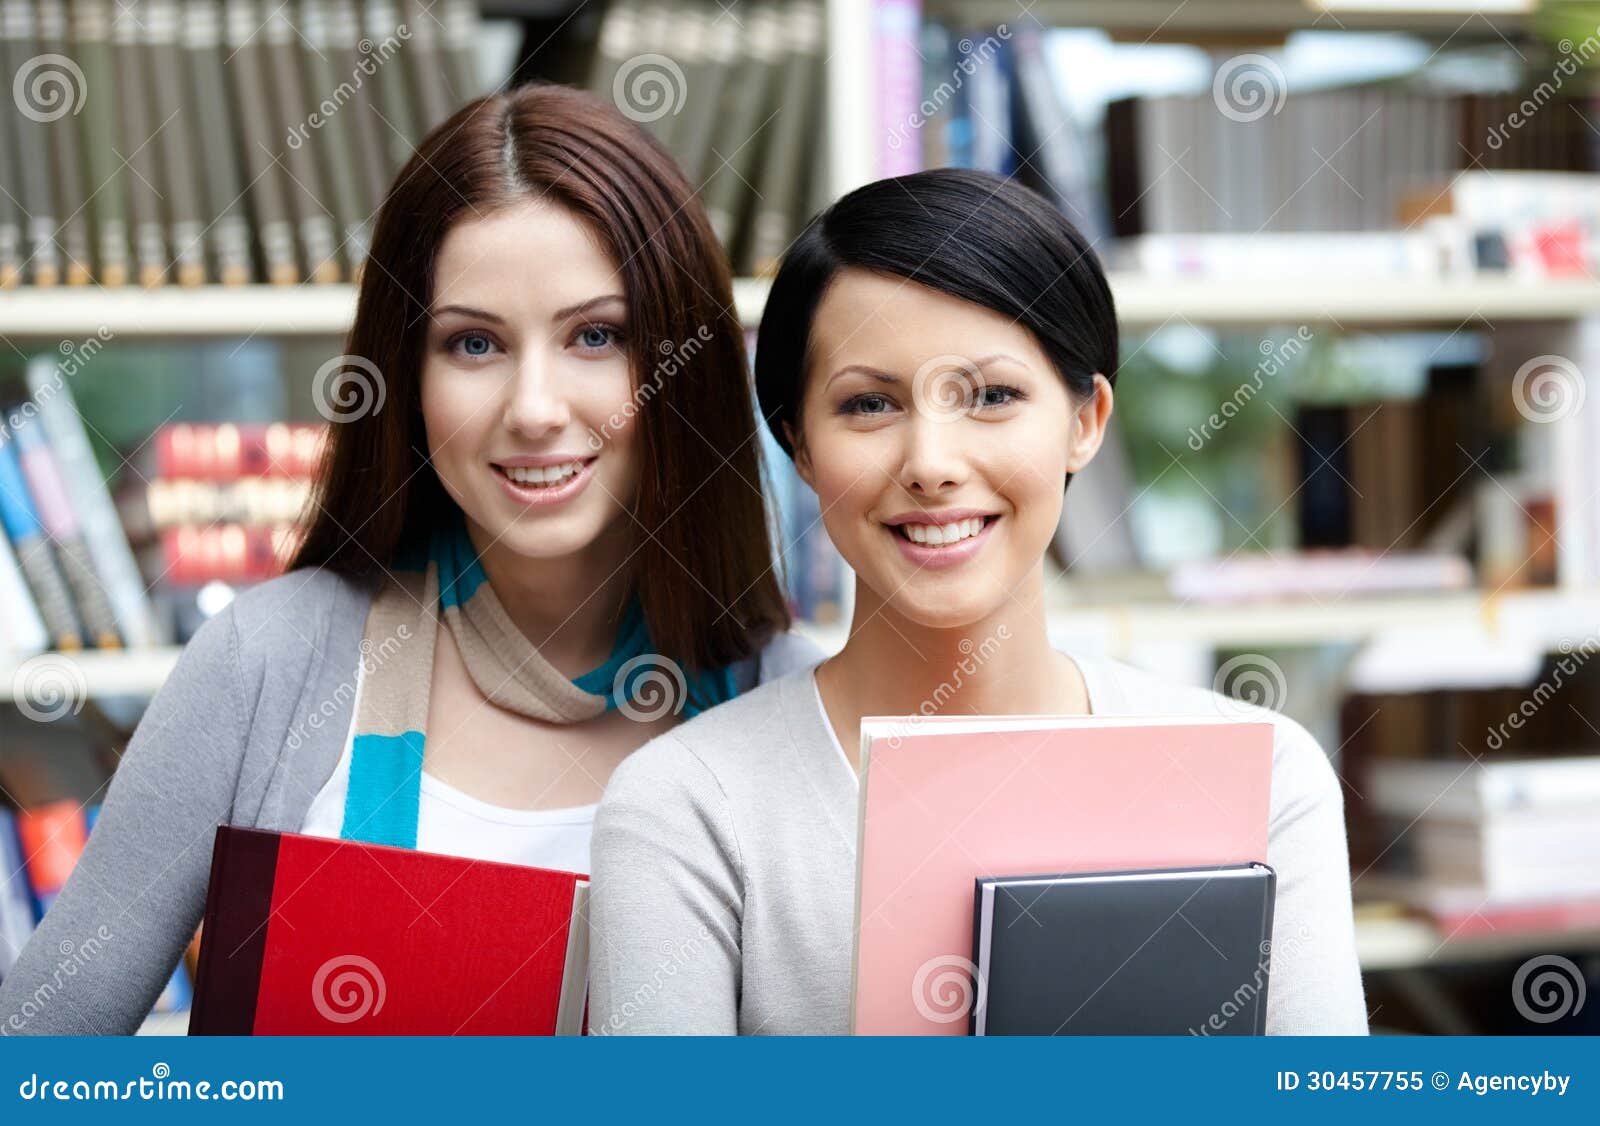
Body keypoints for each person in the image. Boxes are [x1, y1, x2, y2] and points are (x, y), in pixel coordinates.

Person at [0, 84, 815, 1035]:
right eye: (473, 344)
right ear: (406, 382)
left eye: (597, 335)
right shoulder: (267, 663)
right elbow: (36, 1071)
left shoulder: (787, 707)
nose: (537, 408)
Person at [587, 168, 1369, 1035]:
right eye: (869, 404)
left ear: (1086, 421)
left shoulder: (1259, 778)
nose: (932, 461)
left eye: (992, 396)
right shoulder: (689, 810)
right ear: (799, 446)